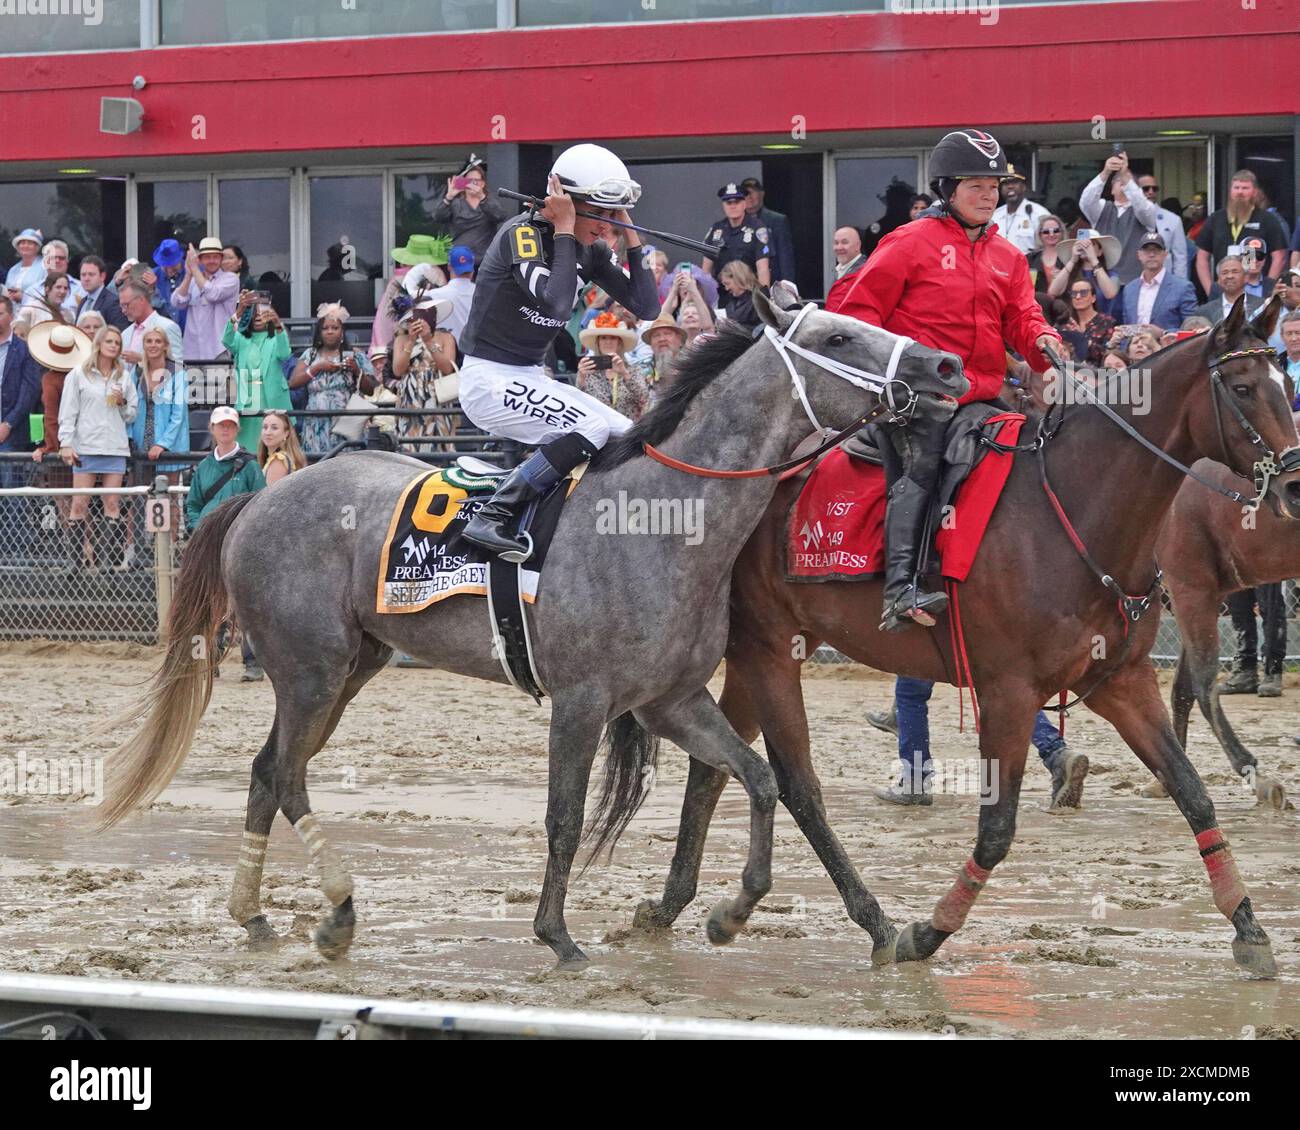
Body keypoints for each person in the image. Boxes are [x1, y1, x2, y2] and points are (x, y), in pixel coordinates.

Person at [835, 128, 1060, 631]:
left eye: (995, 186)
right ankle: (902, 588)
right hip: (918, 400)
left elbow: (1022, 317)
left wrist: (1042, 338)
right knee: (924, 467)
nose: (989, 196)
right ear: (947, 189)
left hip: (982, 396)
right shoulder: (909, 242)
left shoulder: (1007, 257)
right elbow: (859, 316)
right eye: (977, 186)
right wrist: (890, 377)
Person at [456, 143, 659, 558]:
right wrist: (566, 229)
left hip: (528, 376)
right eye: (599, 213)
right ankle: (491, 516)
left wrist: (629, 232)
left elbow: (647, 306)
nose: (606, 228)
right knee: (591, 428)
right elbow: (557, 302)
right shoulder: (522, 234)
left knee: (631, 437)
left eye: (612, 215)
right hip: (487, 379)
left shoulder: (594, 246)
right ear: (564, 200)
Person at [186, 404, 267, 680]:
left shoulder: (250, 465)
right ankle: (211, 661)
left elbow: (260, 501)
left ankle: (253, 663)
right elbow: (193, 504)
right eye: (221, 425)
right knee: (211, 604)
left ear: (236, 430)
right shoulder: (204, 468)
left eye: (229, 425)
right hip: (210, 544)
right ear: (212, 429)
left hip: (239, 543)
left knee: (245, 605)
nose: (225, 429)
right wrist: (201, 530)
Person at [57, 325, 138, 571]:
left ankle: (107, 564)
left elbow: (132, 414)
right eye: (110, 341)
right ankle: (75, 565)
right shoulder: (78, 374)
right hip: (86, 446)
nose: (114, 345)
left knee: (112, 504)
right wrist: (66, 443)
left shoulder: (124, 376)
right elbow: (68, 411)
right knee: (79, 503)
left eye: (117, 342)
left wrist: (123, 402)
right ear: (99, 344)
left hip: (114, 446)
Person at [287, 302, 375, 454]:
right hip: (316, 422)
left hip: (346, 423)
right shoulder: (310, 354)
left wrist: (355, 370)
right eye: (325, 328)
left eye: (335, 328)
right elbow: (293, 383)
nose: (330, 332)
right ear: (319, 332)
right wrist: (317, 367)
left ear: (342, 331)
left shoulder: (356, 355)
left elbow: (371, 390)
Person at [1195, 170, 1287, 297]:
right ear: (1230, 191)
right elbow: (1201, 258)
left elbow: (1279, 257)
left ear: (1254, 192)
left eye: (1245, 188)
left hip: (1255, 289)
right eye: (1236, 187)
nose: (1240, 192)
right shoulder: (1216, 219)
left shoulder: (1267, 219)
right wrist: (1211, 290)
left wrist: (1268, 290)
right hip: (1224, 289)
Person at [224, 289, 292, 451]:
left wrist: (278, 324)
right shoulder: (241, 339)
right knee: (248, 450)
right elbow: (226, 340)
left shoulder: (276, 337)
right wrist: (238, 313)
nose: (258, 317)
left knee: (275, 449)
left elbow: (285, 354)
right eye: (254, 314)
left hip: (272, 399)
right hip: (247, 400)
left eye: (263, 314)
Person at [1078, 151, 1160, 285]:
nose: (1124, 183)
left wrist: (1125, 176)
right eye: (1119, 181)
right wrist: (1105, 173)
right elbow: (1086, 202)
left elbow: (1142, 206)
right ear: (1111, 189)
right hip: (1103, 282)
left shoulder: (1145, 210)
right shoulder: (1102, 207)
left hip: (1136, 283)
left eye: (1129, 182)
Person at [388, 296, 456, 452]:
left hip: (438, 394)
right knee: (409, 442)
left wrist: (428, 340)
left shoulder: (446, 338)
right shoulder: (401, 339)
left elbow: (447, 369)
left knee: (439, 441)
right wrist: (411, 341)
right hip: (410, 396)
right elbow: (398, 371)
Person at [432, 154, 509, 266]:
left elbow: (500, 216)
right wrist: (449, 196)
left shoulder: (489, 202)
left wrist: (482, 197)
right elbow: (437, 216)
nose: (472, 184)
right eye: (469, 181)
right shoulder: (456, 203)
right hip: (460, 260)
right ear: (463, 183)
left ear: (482, 183)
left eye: (476, 181)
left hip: (485, 261)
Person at [172, 236, 239, 359]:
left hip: (219, 350)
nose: (211, 261)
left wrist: (194, 269)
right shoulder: (193, 280)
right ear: (201, 260)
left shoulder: (230, 278)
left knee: (221, 379)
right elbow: (177, 302)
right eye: (207, 257)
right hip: (192, 351)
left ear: (221, 259)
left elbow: (213, 295)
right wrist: (188, 275)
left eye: (215, 257)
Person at [1119, 231, 1198, 332]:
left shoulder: (1183, 287)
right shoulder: (1129, 289)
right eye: (1147, 250)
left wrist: (1163, 333)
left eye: (1156, 250)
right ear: (1139, 255)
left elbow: (1192, 329)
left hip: (1168, 346)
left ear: (1165, 254)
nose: (1152, 254)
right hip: (1135, 346)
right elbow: (1127, 324)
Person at [576, 312, 648, 421]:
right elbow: (579, 402)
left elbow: (644, 399)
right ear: (598, 343)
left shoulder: (633, 370)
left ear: (619, 343)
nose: (608, 342)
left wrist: (624, 373)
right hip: (600, 432)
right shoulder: (589, 372)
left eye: (613, 338)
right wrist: (581, 377)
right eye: (603, 338)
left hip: (628, 432)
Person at [701, 182, 771, 290]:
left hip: (749, 292)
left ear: (744, 204)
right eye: (729, 203)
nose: (733, 206)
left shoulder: (757, 228)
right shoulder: (716, 229)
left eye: (737, 202)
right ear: (723, 206)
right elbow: (706, 270)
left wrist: (763, 298)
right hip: (722, 292)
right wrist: (706, 298)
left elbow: (763, 269)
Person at [740, 176, 795, 285]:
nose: (749, 196)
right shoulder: (736, 221)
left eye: (753, 192)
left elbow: (785, 258)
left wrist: (788, 286)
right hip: (743, 283)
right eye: (746, 193)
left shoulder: (777, 220)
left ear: (762, 194)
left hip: (772, 281)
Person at [1135, 173, 1189, 279]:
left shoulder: (1173, 219)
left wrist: (1180, 284)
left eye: (1154, 189)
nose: (1151, 192)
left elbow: (1180, 257)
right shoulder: (1128, 217)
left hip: (1165, 279)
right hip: (1134, 278)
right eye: (1145, 189)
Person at [990, 165, 1051, 255]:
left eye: (1014, 182)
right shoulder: (994, 216)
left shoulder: (1039, 214)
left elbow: (1050, 247)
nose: (1010, 186)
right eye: (1006, 183)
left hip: (1028, 266)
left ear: (1024, 187)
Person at [419, 244, 476, 340]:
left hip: (444, 352)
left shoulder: (433, 295)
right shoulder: (484, 294)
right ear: (472, 269)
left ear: (449, 266)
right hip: (475, 353)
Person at [1055, 277, 1115, 366]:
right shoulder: (1064, 323)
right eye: (1074, 294)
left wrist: (1082, 339)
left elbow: (1107, 353)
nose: (1078, 297)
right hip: (1068, 372)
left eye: (1083, 293)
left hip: (1098, 372)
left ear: (1093, 298)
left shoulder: (1107, 322)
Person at [635, 310, 687, 408]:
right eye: (656, 335)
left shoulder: (690, 367)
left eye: (667, 334)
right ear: (650, 344)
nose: (662, 339)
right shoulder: (640, 369)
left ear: (679, 340)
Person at [1194, 256, 1263, 324]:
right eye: (1224, 273)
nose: (1229, 276)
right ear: (1219, 280)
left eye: (1235, 272)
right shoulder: (1204, 311)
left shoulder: (1262, 306)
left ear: (1246, 277)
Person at [75, 256, 128, 330]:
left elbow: (119, 333)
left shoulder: (113, 302)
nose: (86, 278)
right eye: (83, 275)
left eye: (91, 274)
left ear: (102, 276)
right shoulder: (83, 302)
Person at [257, 409, 308, 486]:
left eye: (274, 428)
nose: (268, 432)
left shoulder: (279, 460)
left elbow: (269, 496)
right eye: (265, 427)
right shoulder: (282, 457)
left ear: (286, 433)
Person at [1027, 214, 1067, 299]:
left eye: (1056, 231)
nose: (1051, 235)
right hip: (1037, 306)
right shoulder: (1030, 259)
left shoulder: (1069, 256)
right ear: (1040, 234)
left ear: (1062, 232)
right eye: (1046, 232)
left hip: (1063, 305)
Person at [826, 226, 866, 311]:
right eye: (836, 243)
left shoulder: (865, 273)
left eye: (844, 242)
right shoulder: (838, 271)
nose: (839, 247)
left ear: (857, 245)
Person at [4, 228, 45, 307]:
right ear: (18, 247)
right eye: (22, 243)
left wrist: (24, 297)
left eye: (30, 243)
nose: (26, 246)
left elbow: (49, 295)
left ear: (37, 247)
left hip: (34, 314)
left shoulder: (45, 267)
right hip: (13, 315)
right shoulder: (13, 270)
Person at [718, 260, 760, 328]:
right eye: (724, 285)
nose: (726, 288)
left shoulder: (757, 301)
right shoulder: (731, 303)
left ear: (738, 278)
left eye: (727, 284)